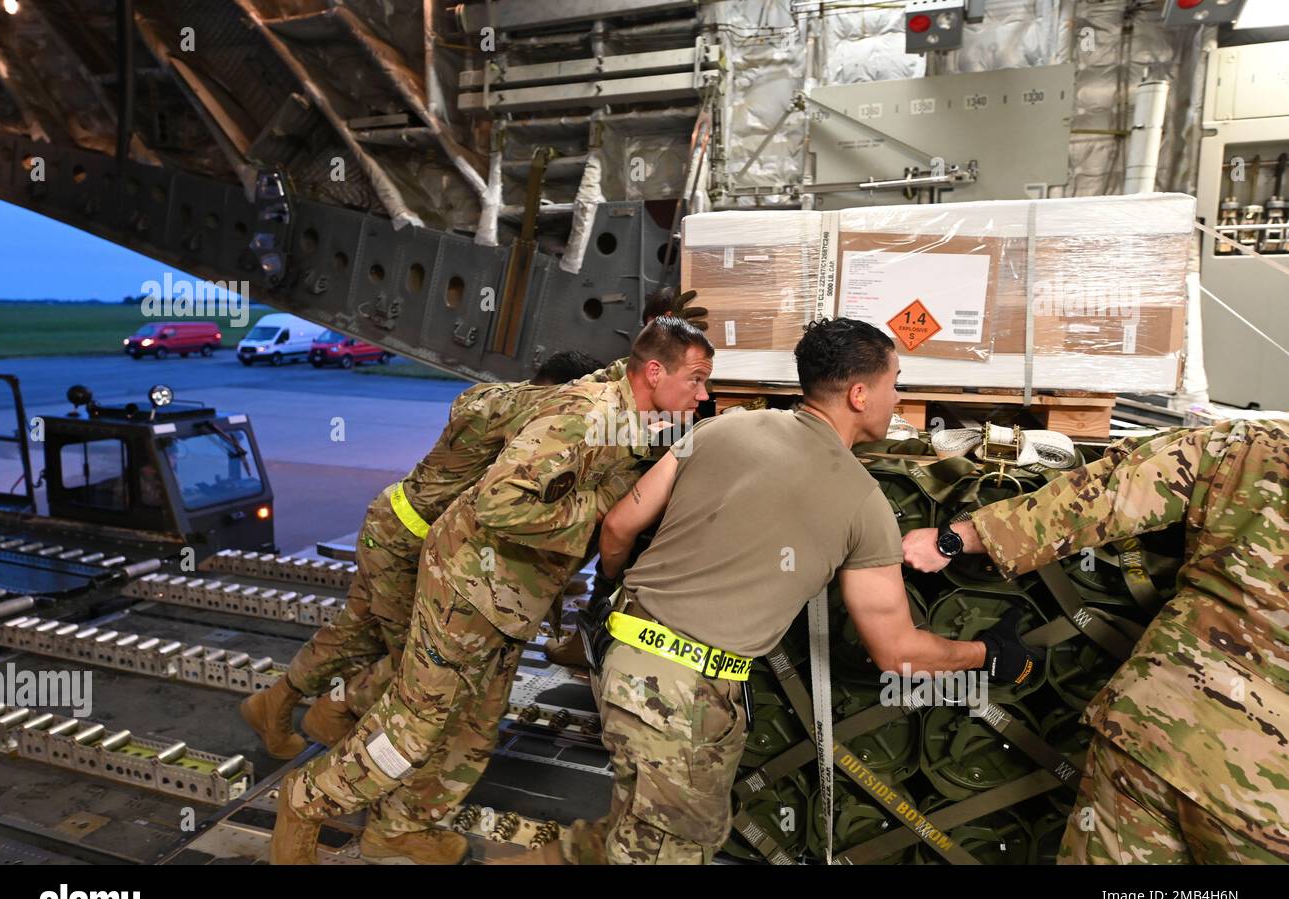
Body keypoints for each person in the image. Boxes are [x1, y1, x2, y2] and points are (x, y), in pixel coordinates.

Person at [510, 318, 1041, 865]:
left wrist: (611, 589)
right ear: (859, 395)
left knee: (644, 831)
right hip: (679, 697)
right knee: (666, 852)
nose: (899, 398)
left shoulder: (721, 430)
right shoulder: (863, 503)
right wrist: (988, 655)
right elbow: (897, 652)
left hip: (621, 660)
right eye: (895, 383)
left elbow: (619, 527)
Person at [270, 318, 715, 864]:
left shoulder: (629, 408)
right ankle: (306, 800)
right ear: (653, 373)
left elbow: (614, 377)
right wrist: (600, 510)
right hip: (469, 586)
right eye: (695, 380)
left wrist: (664, 319)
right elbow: (499, 504)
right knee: (417, 723)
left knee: (475, 727)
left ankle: (401, 826)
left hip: (511, 596)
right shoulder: (585, 417)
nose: (703, 394)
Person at [901, 420, 1289, 864]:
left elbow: (1110, 494)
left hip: (1156, 725)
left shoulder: (1253, 445)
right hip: (1268, 799)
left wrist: (956, 538)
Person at [240, 350, 604, 759]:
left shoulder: (489, 394)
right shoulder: (528, 410)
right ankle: (336, 717)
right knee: (424, 655)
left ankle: (274, 704)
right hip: (410, 544)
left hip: (390, 523)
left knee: (355, 632)